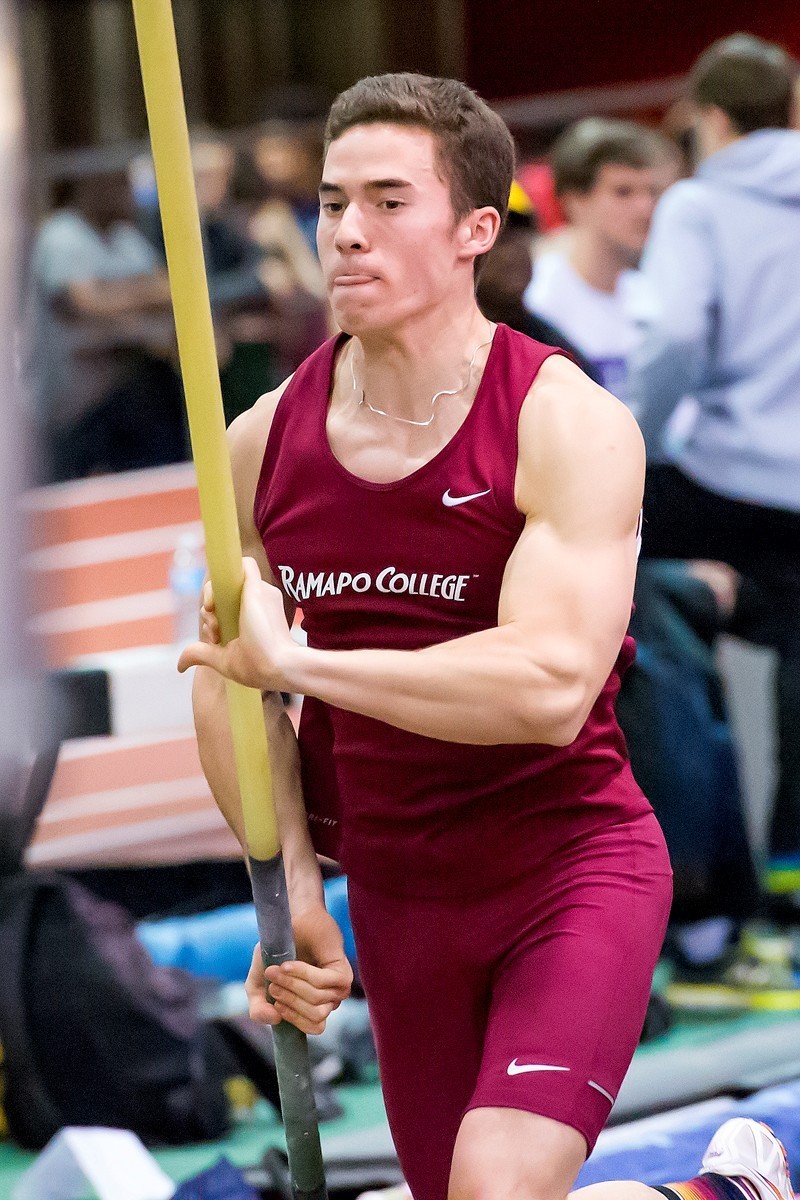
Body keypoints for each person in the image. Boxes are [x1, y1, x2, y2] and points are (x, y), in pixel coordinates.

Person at [181, 74, 791, 1200]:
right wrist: (294, 889)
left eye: (386, 201)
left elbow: (547, 683)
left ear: (475, 228)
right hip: (400, 903)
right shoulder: (260, 442)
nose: (345, 232)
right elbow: (226, 681)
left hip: (566, 873)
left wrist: (303, 663)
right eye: (329, 201)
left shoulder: (565, 420)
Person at [627, 33, 800, 893]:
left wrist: (636, 439)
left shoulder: (698, 206)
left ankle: (689, 888)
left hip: (731, 481)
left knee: (610, 572)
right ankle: (790, 870)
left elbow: (677, 337)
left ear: (714, 119)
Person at [26, 166, 185, 481]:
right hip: (67, 397)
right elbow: (82, 303)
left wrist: (111, 297)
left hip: (120, 386)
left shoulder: (124, 236)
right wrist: (135, 301)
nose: (129, 198)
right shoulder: (61, 233)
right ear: (93, 189)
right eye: (120, 187)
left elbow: (170, 289)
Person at [524, 118, 679, 403]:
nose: (645, 209)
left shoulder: (653, 296)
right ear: (574, 201)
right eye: (623, 192)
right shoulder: (539, 299)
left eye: (652, 192)